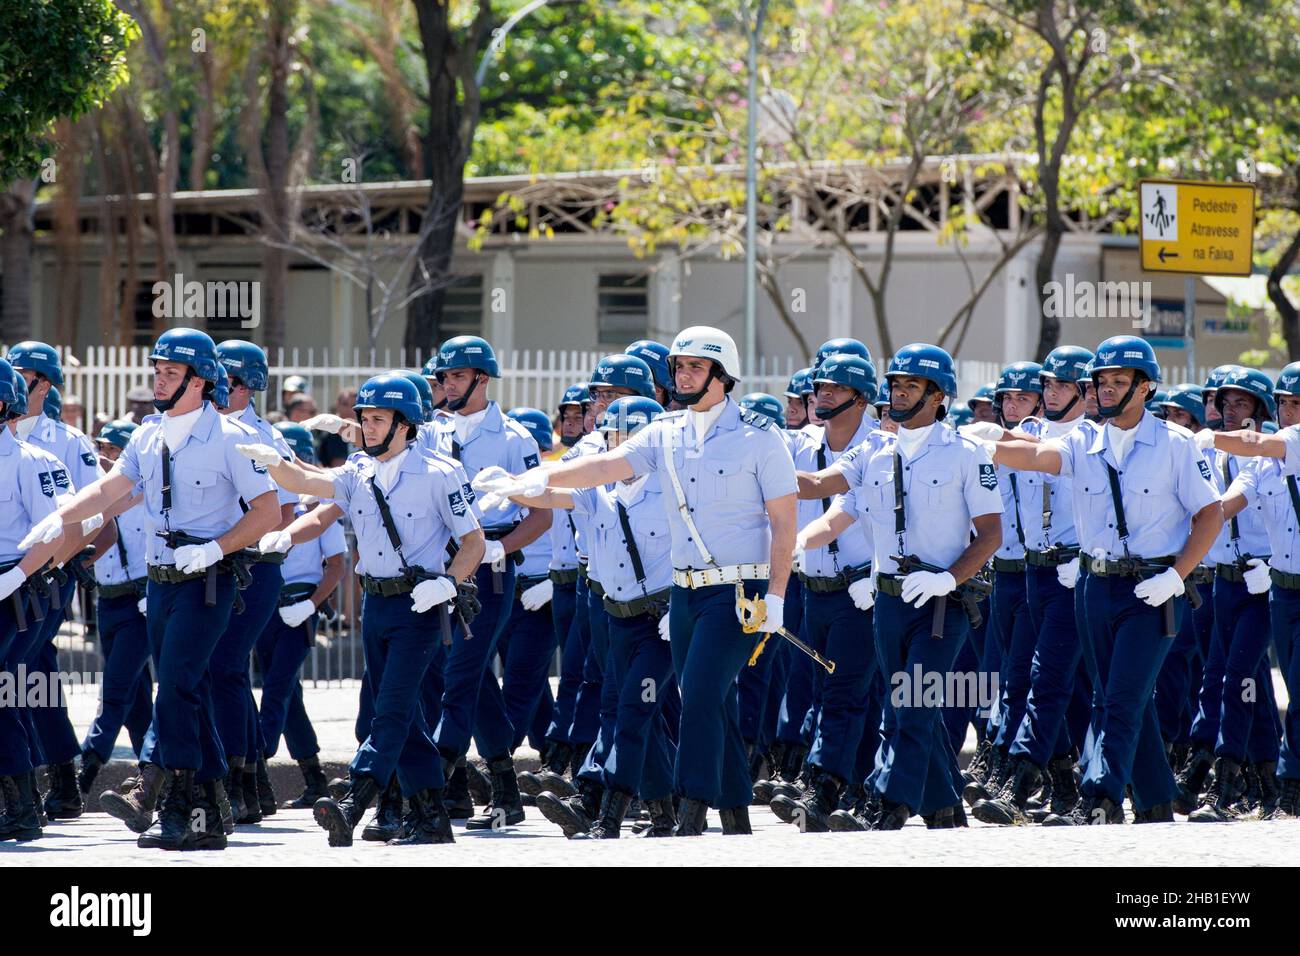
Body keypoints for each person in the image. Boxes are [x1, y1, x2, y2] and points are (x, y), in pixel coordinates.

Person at [476, 325, 797, 836]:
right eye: (678, 367)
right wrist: (528, 482)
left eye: (695, 366)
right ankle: (736, 812)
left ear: (722, 374)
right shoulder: (666, 431)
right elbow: (603, 466)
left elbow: (783, 521)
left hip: (742, 590)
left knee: (700, 695)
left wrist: (776, 595)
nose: (683, 375)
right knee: (717, 699)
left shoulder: (760, 436)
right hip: (686, 591)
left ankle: (692, 812)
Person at [22, 328, 282, 850]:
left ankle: (172, 799)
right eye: (157, 370)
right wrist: (59, 519)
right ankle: (213, 805)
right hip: (159, 583)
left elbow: (269, 513)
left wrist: (215, 548)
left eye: (170, 372)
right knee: (190, 688)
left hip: (206, 581)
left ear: (199, 379)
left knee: (179, 685)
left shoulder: (232, 439)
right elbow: (113, 491)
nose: (158, 380)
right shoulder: (148, 435)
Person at [980, 335, 1222, 825]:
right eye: (1101, 381)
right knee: (1117, 695)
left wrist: (1178, 576)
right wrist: (982, 441)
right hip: (1093, 586)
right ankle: (1155, 799)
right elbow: (1037, 456)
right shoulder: (1083, 440)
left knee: (1121, 696)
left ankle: (1099, 796)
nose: (1106, 389)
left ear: (1145, 387)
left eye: (1118, 381)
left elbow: (1211, 513)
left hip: (1151, 589)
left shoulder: (1175, 445)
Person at [236, 373, 485, 846]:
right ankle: (431, 815)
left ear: (406, 424)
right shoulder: (358, 471)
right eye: (364, 419)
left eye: (378, 420)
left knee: (388, 710)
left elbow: (474, 541)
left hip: (419, 604)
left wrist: (449, 585)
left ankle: (354, 798)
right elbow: (309, 481)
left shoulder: (439, 473)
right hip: (376, 603)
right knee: (401, 715)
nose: (367, 428)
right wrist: (274, 468)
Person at [796, 343, 1002, 830]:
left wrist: (948, 577)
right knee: (909, 705)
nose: (899, 393)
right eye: (895, 385)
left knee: (910, 706)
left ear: (938, 397)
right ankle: (946, 810)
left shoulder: (966, 454)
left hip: (941, 603)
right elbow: (820, 487)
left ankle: (884, 806)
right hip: (887, 602)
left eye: (911, 386)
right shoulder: (873, 450)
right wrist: (758, 467)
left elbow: (992, 534)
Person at [509, 396, 678, 838]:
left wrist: (681, 608)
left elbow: (700, 554)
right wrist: (507, 486)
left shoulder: (675, 491)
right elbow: (553, 494)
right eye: (613, 437)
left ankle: (609, 814)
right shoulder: (600, 489)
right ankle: (664, 815)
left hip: (662, 623)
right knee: (644, 716)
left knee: (633, 711)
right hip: (618, 621)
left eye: (628, 438)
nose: (618, 447)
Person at [965, 346, 1094, 825]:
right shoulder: (1032, 433)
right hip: (1022, 573)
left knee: (1052, 680)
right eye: (1049, 386)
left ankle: (1021, 781)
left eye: (1061, 386)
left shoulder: (1091, 438)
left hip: (1073, 573)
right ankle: (1067, 783)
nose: (1048, 394)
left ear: (1084, 391)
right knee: (1026, 678)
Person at [773, 350, 886, 831]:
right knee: (826, 692)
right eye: (821, 387)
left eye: (837, 389)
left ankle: (822, 789)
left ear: (861, 399)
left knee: (845, 692)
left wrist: (877, 574)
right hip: (811, 588)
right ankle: (871, 788)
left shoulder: (882, 447)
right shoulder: (798, 445)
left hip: (861, 591)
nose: (824, 394)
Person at [7, 340, 112, 821]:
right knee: (31, 675)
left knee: (24, 672)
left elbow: (95, 518)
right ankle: (54, 781)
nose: (13, 373)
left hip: (45, 575)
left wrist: (52, 568)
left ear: (43, 382)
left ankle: (39, 785)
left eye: (22, 369)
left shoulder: (67, 442)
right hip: (21, 575)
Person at [212, 339, 301, 824]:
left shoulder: (260, 437)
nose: (223, 390)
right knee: (226, 672)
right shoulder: (210, 431)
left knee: (223, 667)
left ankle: (234, 780)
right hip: (221, 565)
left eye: (233, 383)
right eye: (218, 380)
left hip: (254, 566)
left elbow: (285, 510)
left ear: (250, 388)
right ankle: (252, 784)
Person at [0, 358, 84, 841]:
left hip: (18, 588)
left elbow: (57, 533)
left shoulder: (36, 461)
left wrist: (12, 579)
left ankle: (24, 806)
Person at [252, 422, 347, 811]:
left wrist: (310, 605)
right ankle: (314, 778)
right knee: (289, 696)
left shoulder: (320, 506)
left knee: (276, 689)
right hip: (266, 607)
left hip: (300, 607)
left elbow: (337, 565)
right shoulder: (263, 503)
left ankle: (253, 774)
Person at [77, 420, 153, 798]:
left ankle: (84, 773)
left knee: (116, 690)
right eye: (101, 448)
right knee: (136, 701)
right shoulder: (97, 495)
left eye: (112, 449)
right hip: (107, 602)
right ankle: (153, 780)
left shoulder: (143, 494)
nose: (104, 456)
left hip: (139, 603)